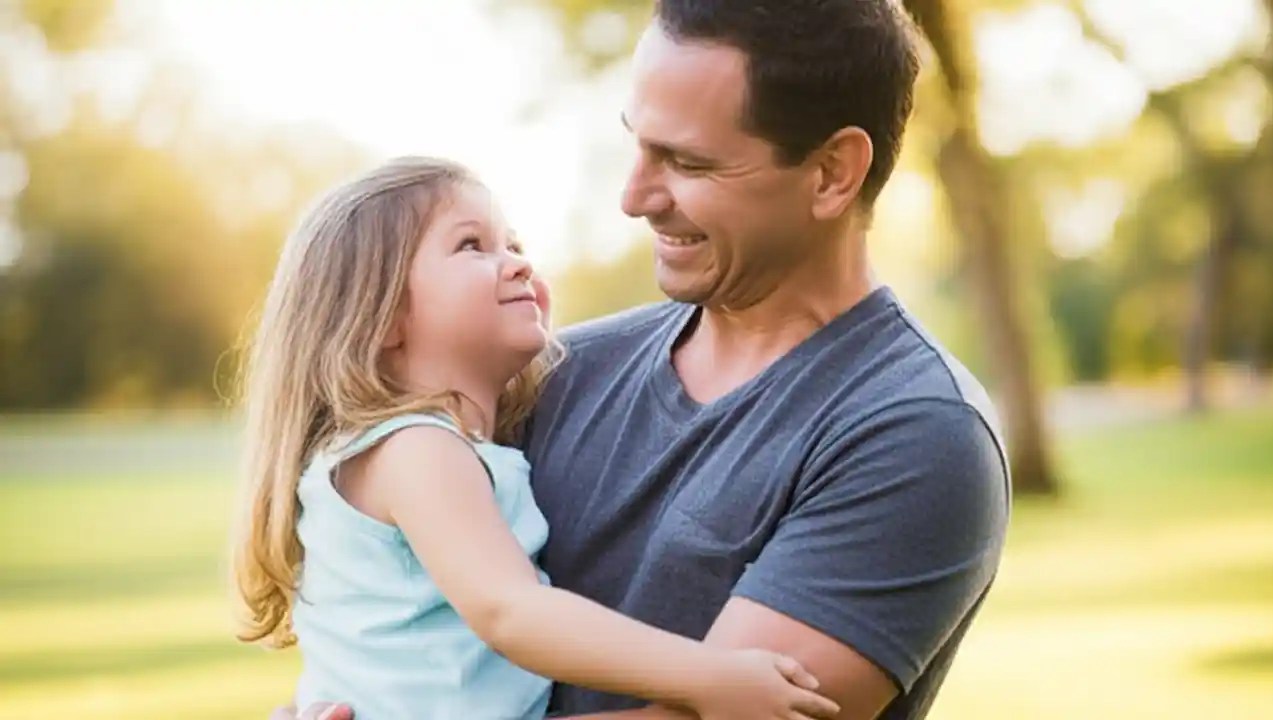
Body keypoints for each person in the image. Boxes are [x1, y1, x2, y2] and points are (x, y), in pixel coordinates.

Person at [283, 1, 1009, 718]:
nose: (633, 198)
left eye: (688, 162)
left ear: (831, 173)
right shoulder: (554, 375)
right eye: (638, 143)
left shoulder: (914, 433)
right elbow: (402, 628)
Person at [232, 156, 843, 720]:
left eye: (515, 244)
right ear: (383, 317)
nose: (520, 262)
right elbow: (511, 610)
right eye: (472, 246)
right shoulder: (415, 450)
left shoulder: (453, 448)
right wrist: (710, 677)